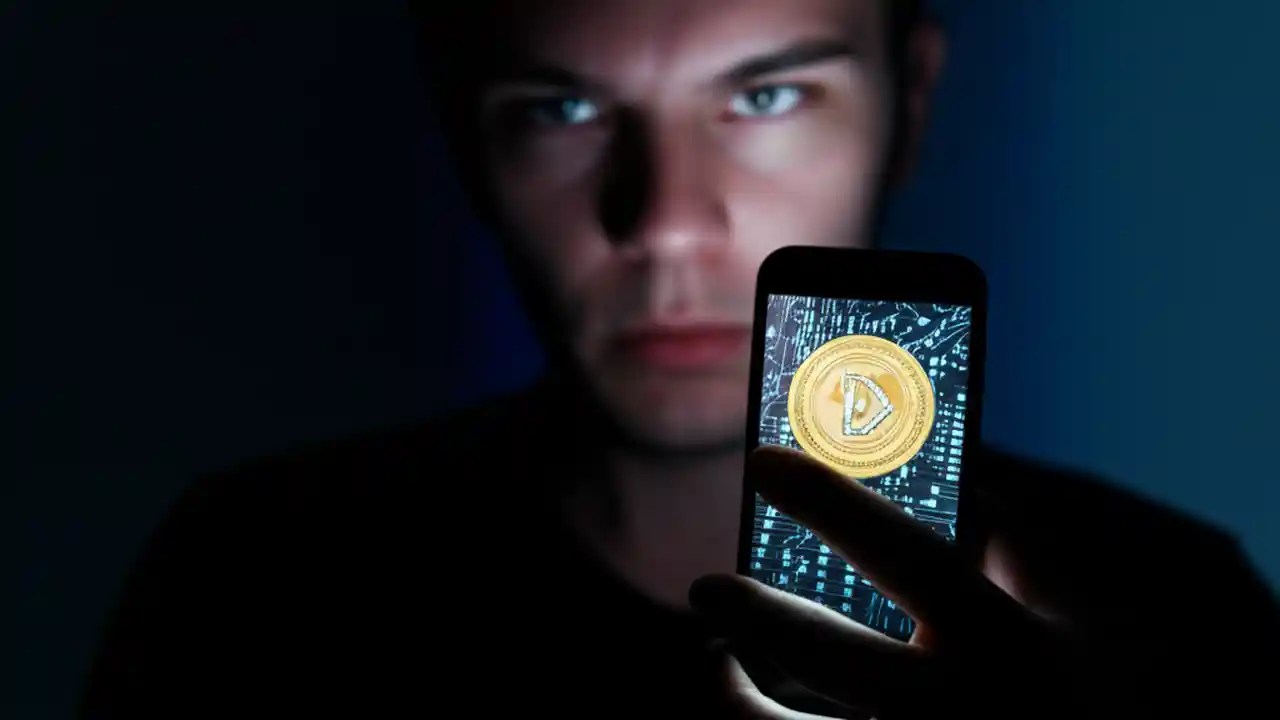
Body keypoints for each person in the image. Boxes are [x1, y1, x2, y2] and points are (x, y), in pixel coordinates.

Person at [80, 1, 1276, 718]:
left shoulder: (1169, 616)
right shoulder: (255, 586)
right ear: (461, 129)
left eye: (765, 96)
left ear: (908, 98)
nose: (663, 218)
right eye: (562, 110)